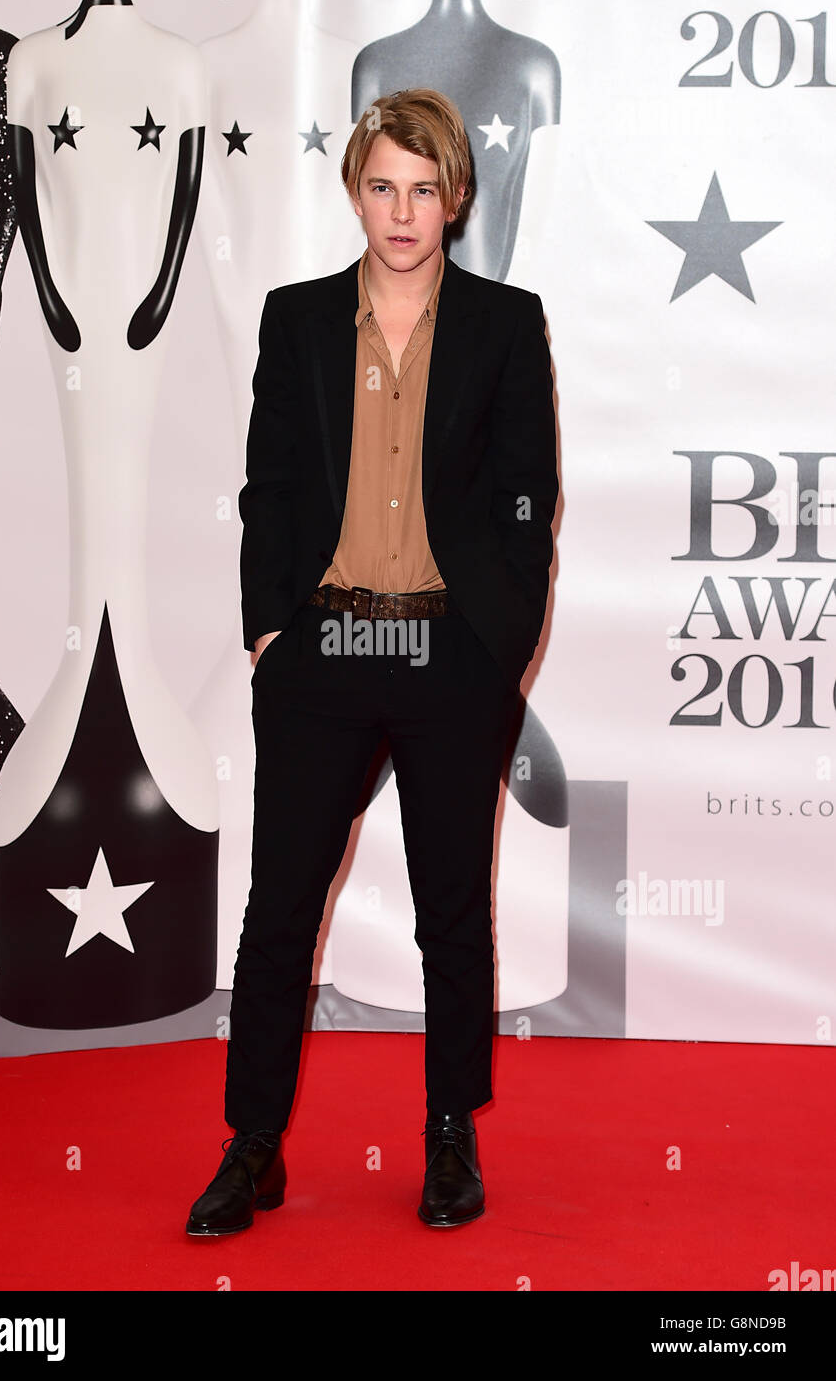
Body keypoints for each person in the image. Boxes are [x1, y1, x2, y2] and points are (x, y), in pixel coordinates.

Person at [186, 87, 558, 1235]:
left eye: (423, 188)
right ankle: (252, 1146)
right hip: (326, 645)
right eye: (381, 186)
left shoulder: (504, 322)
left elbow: (526, 502)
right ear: (355, 191)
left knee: (452, 905)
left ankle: (450, 1134)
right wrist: (268, 630)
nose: (402, 213)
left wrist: (495, 650)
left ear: (455, 195)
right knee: (279, 907)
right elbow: (271, 490)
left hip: (450, 648)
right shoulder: (296, 319)